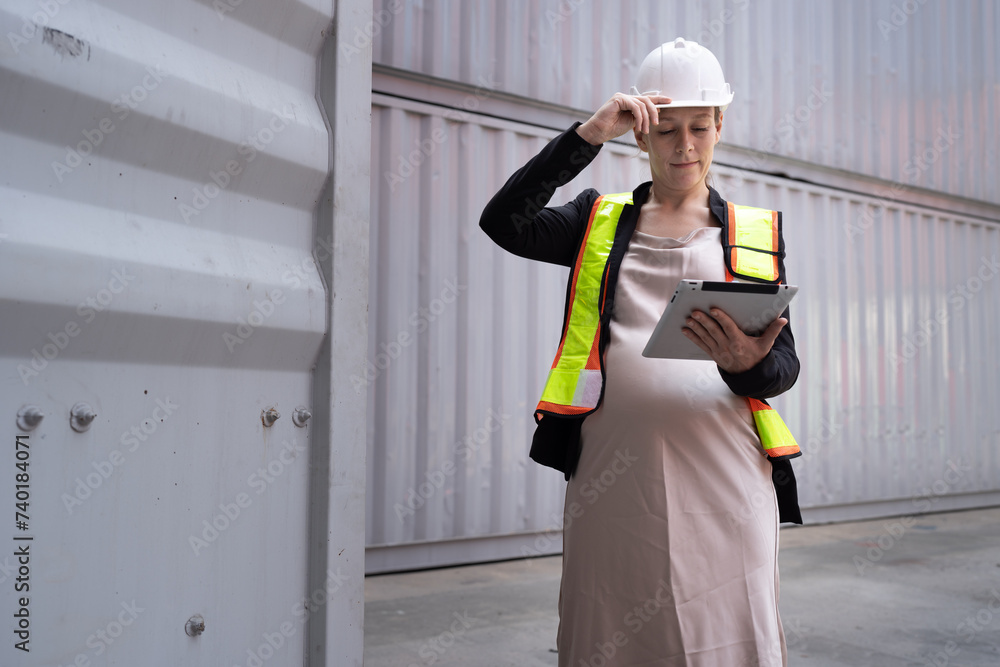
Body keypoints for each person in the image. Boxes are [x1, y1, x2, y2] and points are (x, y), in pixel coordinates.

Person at [479, 38, 802, 666]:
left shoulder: (751, 234)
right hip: (614, 478)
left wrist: (747, 364)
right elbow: (505, 223)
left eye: (699, 128)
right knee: (611, 627)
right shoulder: (596, 220)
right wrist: (587, 135)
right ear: (639, 134)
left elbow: (783, 363)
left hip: (726, 475)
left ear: (719, 127)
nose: (684, 146)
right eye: (668, 129)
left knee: (724, 629)